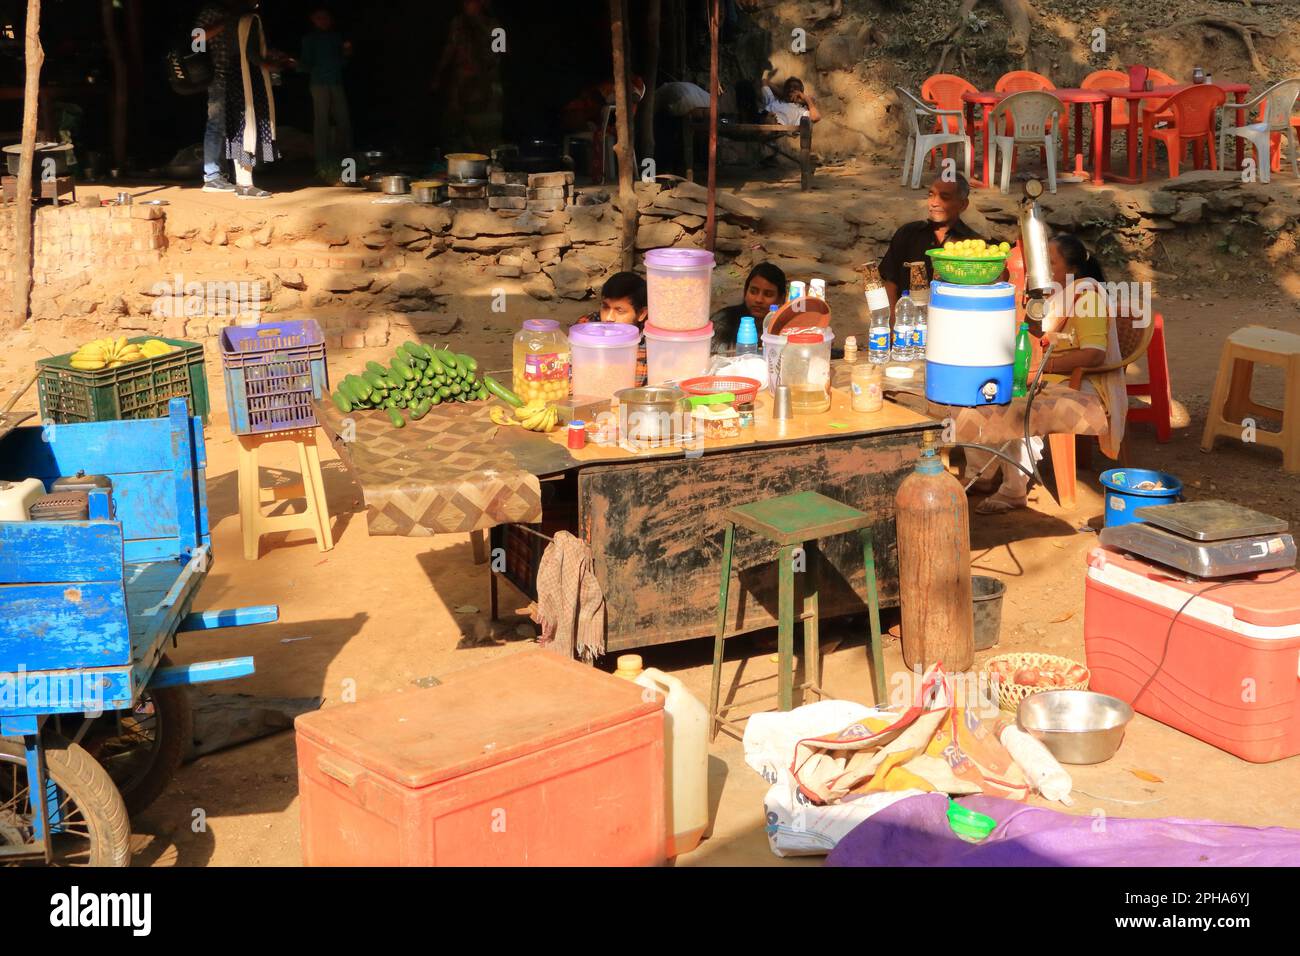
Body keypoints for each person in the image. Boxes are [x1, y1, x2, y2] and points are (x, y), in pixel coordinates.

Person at [965, 234, 1126, 515]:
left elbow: (1094, 354)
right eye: (1043, 264)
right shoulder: (1053, 296)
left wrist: (1043, 368)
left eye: (1051, 264)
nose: (1045, 272)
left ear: (1072, 270)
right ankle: (982, 472)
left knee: (1018, 409)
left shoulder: (1087, 296)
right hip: (1046, 375)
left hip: (1082, 382)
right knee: (982, 391)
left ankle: (1013, 490)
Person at [195, 0, 290, 199]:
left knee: (231, 127)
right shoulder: (216, 12)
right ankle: (213, 176)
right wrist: (228, 21)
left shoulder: (243, 18)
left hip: (235, 76)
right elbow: (197, 38)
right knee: (222, 126)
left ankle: (226, 176)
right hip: (221, 75)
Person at [878, 174, 981, 314]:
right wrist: (892, 324)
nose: (934, 202)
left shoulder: (972, 244)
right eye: (931, 195)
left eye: (944, 197)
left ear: (963, 205)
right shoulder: (908, 234)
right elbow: (889, 282)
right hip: (907, 321)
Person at [433, 0, 504, 152]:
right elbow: (450, 50)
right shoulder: (458, 24)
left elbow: (500, 55)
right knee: (456, 131)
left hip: (486, 89)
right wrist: (438, 75)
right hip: (462, 87)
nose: (468, 5)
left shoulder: (495, 27)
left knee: (486, 136)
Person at [299, 7, 352, 182]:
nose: (323, 21)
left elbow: (344, 62)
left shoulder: (337, 37)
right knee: (321, 122)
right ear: (313, 20)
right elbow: (305, 64)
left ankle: (347, 163)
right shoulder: (309, 39)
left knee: (343, 120)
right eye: (319, 18)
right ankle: (321, 164)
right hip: (319, 83)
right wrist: (293, 64)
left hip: (336, 82)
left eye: (326, 17)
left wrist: (346, 52)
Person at [573, 272, 648, 386]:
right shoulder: (585, 326)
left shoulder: (652, 340)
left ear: (641, 314)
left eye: (620, 310)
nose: (609, 318)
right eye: (605, 307)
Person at [709, 262, 787, 352]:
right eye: (753, 292)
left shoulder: (786, 329)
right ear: (745, 292)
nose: (759, 300)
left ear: (781, 298)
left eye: (768, 294)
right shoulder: (723, 321)